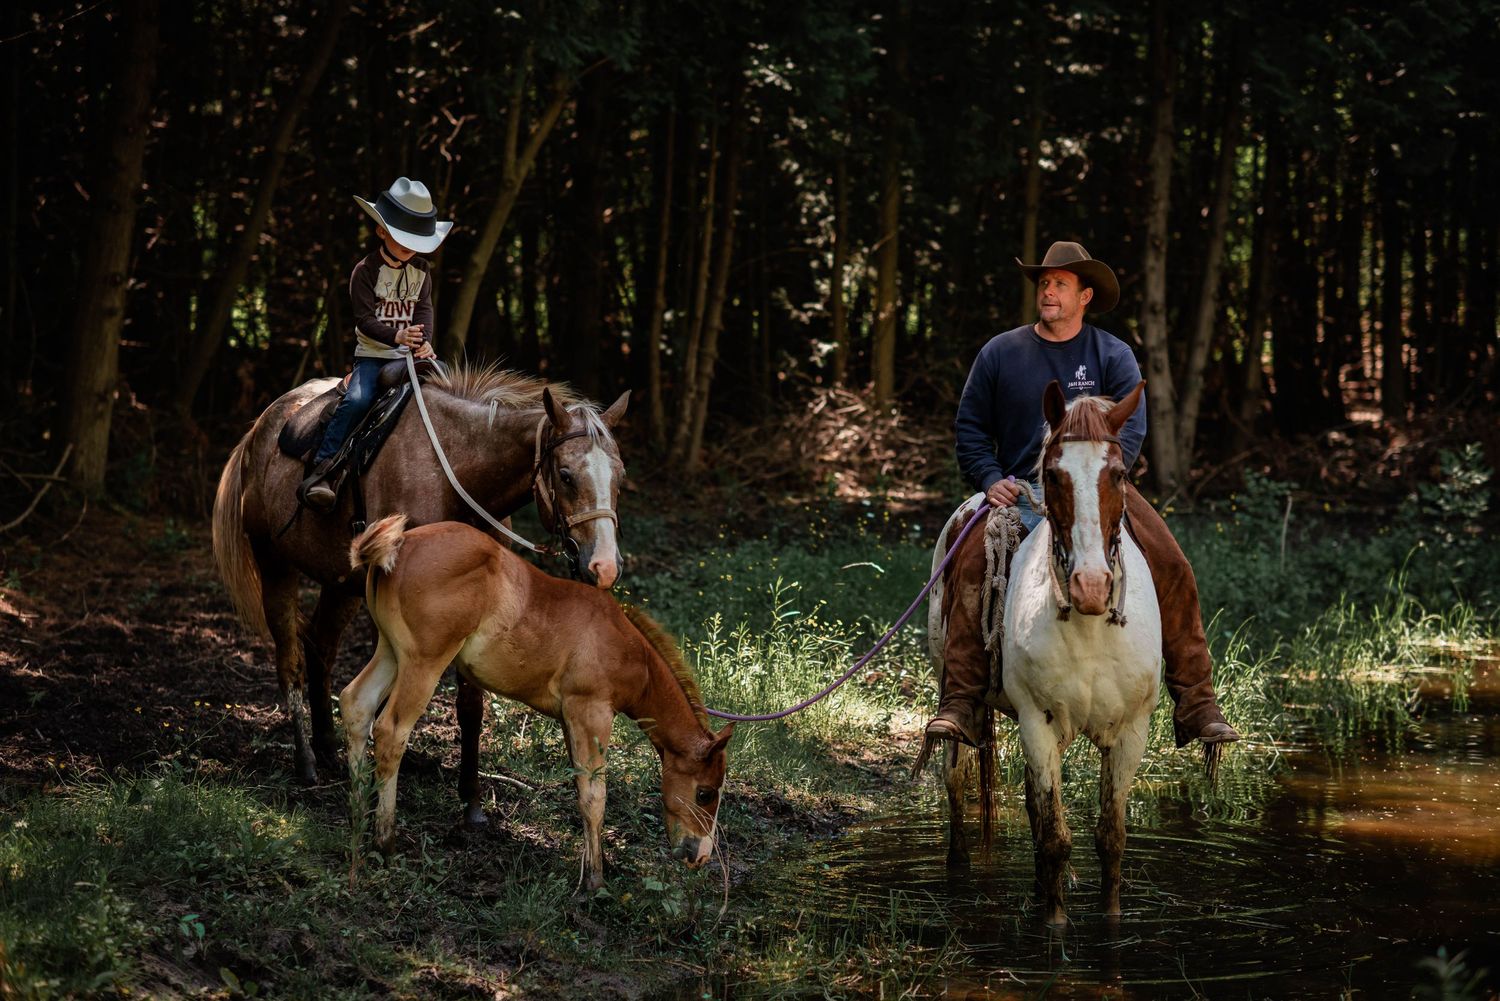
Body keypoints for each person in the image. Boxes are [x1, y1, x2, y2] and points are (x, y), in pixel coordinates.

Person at [924, 241, 1241, 751]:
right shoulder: (1000, 353)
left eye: (1060, 284)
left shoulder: (1112, 355)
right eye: (1044, 283)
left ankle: (1197, 701)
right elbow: (971, 428)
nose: (1048, 290)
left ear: (1084, 295)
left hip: (1098, 485)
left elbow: (1129, 432)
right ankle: (961, 699)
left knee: (1172, 563)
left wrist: (1101, 482)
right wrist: (988, 479)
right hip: (1021, 488)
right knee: (971, 558)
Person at [301, 177, 452, 510]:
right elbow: (365, 321)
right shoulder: (365, 272)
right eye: (402, 240)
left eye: (415, 242)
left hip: (409, 356)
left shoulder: (422, 271)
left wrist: (423, 341)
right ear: (381, 232)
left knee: (449, 390)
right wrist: (397, 336)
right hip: (374, 356)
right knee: (358, 399)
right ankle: (321, 469)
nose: (409, 248)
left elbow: (424, 310)